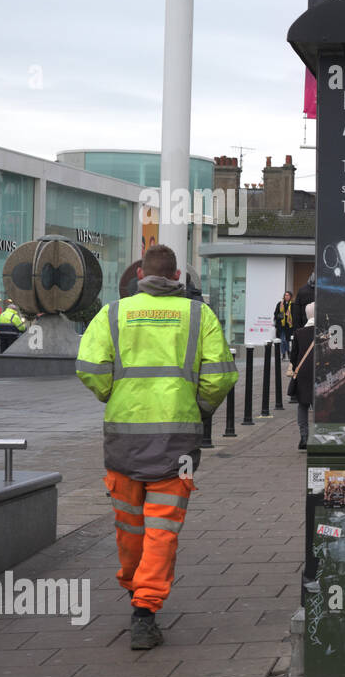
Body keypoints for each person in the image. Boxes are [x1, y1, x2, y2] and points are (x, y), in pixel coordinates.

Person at [75, 244, 237, 651]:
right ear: (177, 277)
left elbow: (89, 368)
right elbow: (219, 376)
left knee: (129, 527)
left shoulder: (114, 313)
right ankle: (144, 613)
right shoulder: (199, 316)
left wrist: (114, 393)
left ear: (140, 274)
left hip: (123, 440)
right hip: (177, 444)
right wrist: (197, 407)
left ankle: (136, 591)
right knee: (162, 529)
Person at [288, 300, 316, 450]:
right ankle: (319, 436)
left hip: (303, 373)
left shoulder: (299, 333)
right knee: (318, 406)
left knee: (302, 405)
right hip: (319, 372)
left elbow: (293, 357)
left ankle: (304, 437)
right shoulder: (324, 332)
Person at [273, 290, 295, 358]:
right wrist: (283, 315)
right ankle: (284, 354)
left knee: (287, 340)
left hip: (289, 326)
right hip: (281, 326)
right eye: (285, 295)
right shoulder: (280, 304)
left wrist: (289, 316)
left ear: (290, 296)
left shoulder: (292, 305)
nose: (286, 296)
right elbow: (276, 314)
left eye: (288, 295)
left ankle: (288, 352)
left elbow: (295, 315)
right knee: (283, 340)